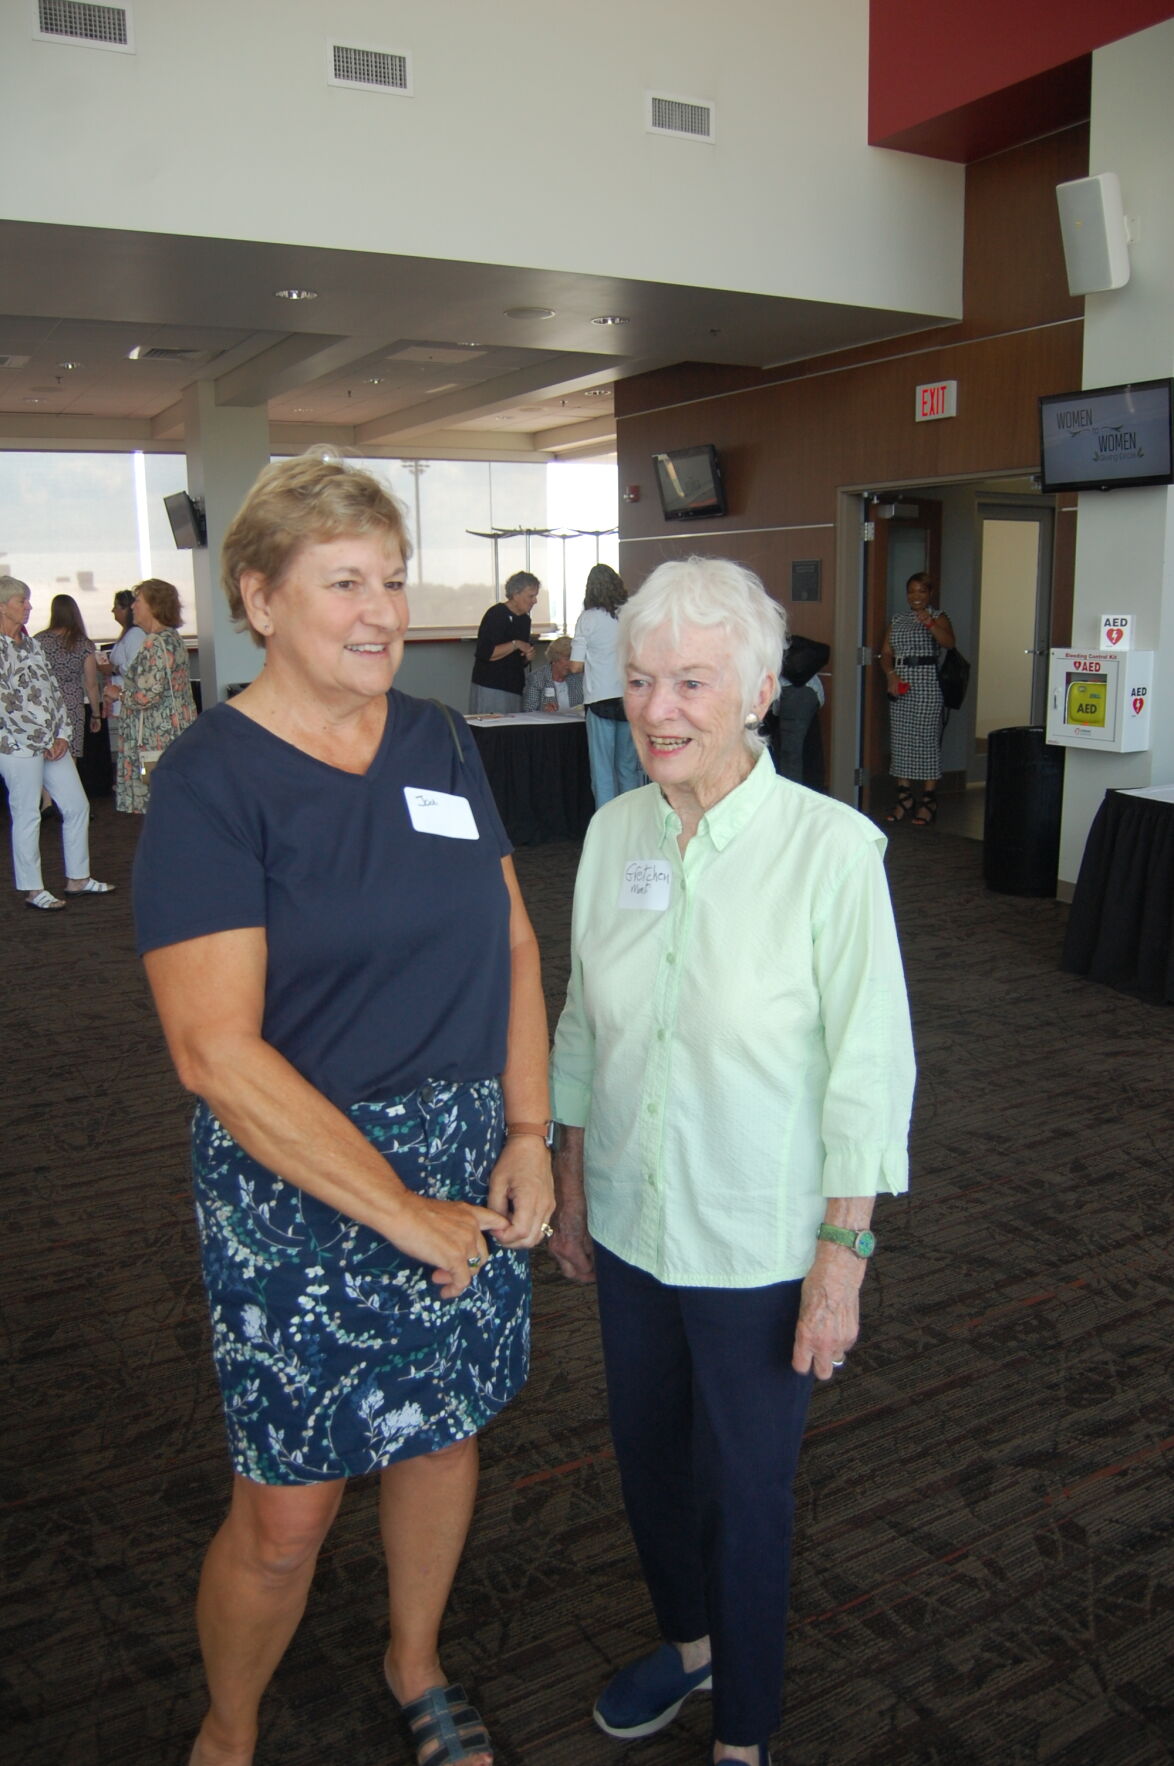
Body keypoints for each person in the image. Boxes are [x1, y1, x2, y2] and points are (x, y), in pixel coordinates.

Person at [131, 451, 554, 1766]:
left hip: (463, 1158)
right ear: (258, 598)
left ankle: (413, 1661)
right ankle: (229, 1727)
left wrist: (531, 1130)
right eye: (343, 582)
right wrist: (399, 1211)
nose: (380, 609)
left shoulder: (433, 735)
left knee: (440, 1438)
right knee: (288, 1511)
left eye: (392, 578)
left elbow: (514, 944)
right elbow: (215, 1055)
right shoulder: (212, 780)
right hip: (298, 1176)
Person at [548, 557, 915, 1766]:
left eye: (692, 680)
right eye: (642, 677)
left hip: (759, 1236)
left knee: (744, 1491)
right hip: (629, 1216)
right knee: (646, 1455)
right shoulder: (612, 833)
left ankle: (745, 1726)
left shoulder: (830, 852)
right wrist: (566, 1172)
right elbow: (582, 1018)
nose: (658, 706)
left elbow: (870, 1067)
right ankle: (690, 1641)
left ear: (758, 690)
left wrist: (843, 1252)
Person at [0, 576, 115, 909]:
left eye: (27, 600)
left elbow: (53, 692)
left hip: (51, 741)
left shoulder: (31, 644)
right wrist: (44, 738)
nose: (28, 606)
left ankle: (78, 878)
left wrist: (62, 734)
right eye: (22, 601)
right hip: (16, 745)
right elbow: (5, 704)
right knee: (27, 814)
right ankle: (33, 889)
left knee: (77, 806)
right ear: (3, 606)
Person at [107, 578, 197, 814]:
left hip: (154, 739)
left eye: (138, 601)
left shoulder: (154, 643)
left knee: (160, 799)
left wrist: (118, 693)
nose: (133, 606)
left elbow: (147, 695)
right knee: (172, 798)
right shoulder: (173, 638)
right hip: (173, 732)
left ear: (155, 606)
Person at [878, 571, 955, 826]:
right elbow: (886, 651)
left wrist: (930, 624)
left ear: (929, 593)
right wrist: (890, 675)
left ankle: (929, 799)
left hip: (927, 681)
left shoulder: (938, 616)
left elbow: (949, 643)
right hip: (900, 681)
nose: (916, 596)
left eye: (921, 591)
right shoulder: (898, 619)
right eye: (911, 591)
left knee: (926, 738)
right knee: (902, 739)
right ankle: (904, 796)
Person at [566, 563, 643, 807]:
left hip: (599, 699)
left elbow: (575, 666)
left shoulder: (587, 619)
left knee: (602, 771)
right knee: (628, 768)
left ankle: (606, 828)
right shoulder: (631, 616)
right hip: (629, 698)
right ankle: (631, 822)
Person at [34, 594, 102, 761]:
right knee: (71, 756)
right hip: (72, 704)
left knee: (44, 756)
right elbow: (91, 684)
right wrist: (96, 714)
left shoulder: (38, 640)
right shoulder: (83, 643)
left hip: (44, 702)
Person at [468, 571, 539, 712]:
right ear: (515, 594)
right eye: (531, 596)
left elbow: (518, 659)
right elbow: (486, 653)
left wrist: (527, 657)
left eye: (536, 596)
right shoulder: (496, 614)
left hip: (515, 687)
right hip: (491, 686)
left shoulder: (525, 620)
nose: (535, 601)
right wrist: (516, 644)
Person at [98, 587, 146, 755]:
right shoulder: (127, 634)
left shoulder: (135, 635)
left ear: (126, 609)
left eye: (116, 606)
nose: (113, 611)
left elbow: (136, 669)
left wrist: (112, 669)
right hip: (122, 701)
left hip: (130, 700)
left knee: (132, 748)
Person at [521, 634, 584, 712]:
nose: (571, 663)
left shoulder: (579, 678)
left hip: (575, 723)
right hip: (547, 723)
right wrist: (544, 710)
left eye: (573, 658)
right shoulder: (537, 678)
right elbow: (528, 710)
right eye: (567, 658)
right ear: (555, 658)